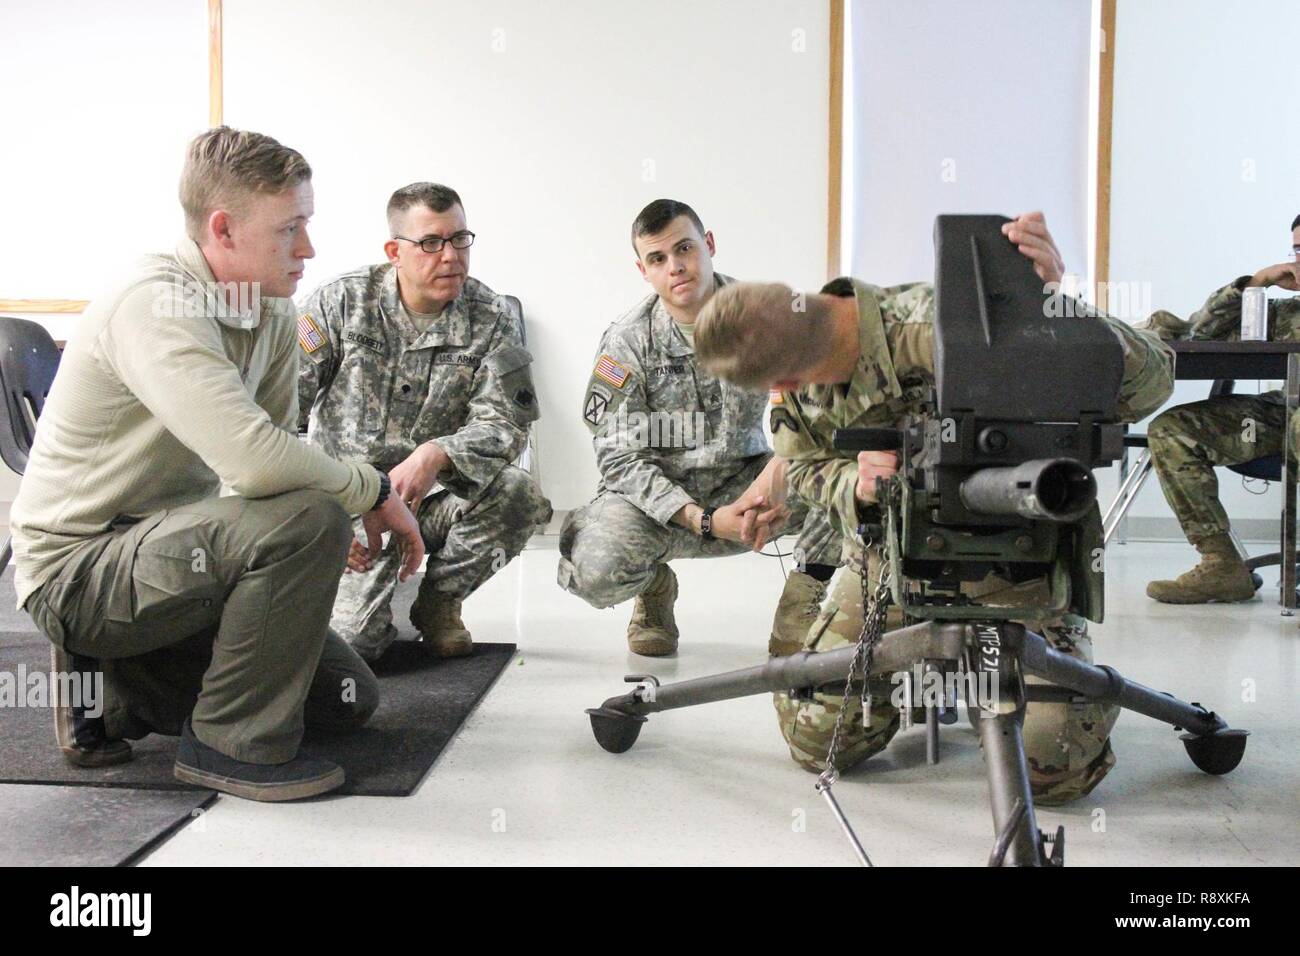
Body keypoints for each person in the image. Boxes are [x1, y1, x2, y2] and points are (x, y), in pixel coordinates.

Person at [694, 213, 1176, 805]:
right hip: (889, 559)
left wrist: (1057, 312)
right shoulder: (803, 389)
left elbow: (1155, 383)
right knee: (817, 741)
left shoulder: (948, 324)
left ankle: (991, 688)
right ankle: (911, 683)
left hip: (1025, 560)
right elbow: (805, 467)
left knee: (1056, 772)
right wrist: (856, 482)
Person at [10, 126, 425, 801]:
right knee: (314, 516)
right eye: (290, 229)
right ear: (225, 230)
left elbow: (259, 461)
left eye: (307, 225)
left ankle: (120, 689)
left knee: (344, 704)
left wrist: (296, 537)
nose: (308, 248)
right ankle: (232, 747)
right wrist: (367, 491)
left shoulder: (267, 308)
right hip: (80, 571)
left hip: (170, 560)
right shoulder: (154, 301)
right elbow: (256, 460)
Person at [557, 199, 841, 657]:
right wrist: (701, 519)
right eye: (658, 259)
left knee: (844, 488)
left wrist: (779, 474)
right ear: (643, 270)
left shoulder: (764, 317)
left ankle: (800, 603)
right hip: (657, 503)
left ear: (708, 245)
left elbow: (820, 413)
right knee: (596, 570)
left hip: (745, 487)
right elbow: (620, 458)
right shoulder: (627, 341)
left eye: (684, 248)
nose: (676, 267)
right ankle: (652, 588)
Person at [298, 183, 551, 661]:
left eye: (460, 239)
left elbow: (506, 423)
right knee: (354, 648)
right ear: (395, 252)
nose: (451, 256)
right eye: (431, 243)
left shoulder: (492, 316)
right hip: (350, 503)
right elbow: (278, 414)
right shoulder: (341, 304)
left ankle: (438, 602)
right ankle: (369, 590)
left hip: (430, 499)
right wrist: (319, 515)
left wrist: (437, 455)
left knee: (518, 494)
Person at [1145, 214, 1300, 603]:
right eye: (1298, 251)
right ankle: (1222, 566)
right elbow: (1200, 332)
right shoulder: (1287, 313)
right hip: (1286, 412)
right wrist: (1253, 284)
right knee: (1173, 429)